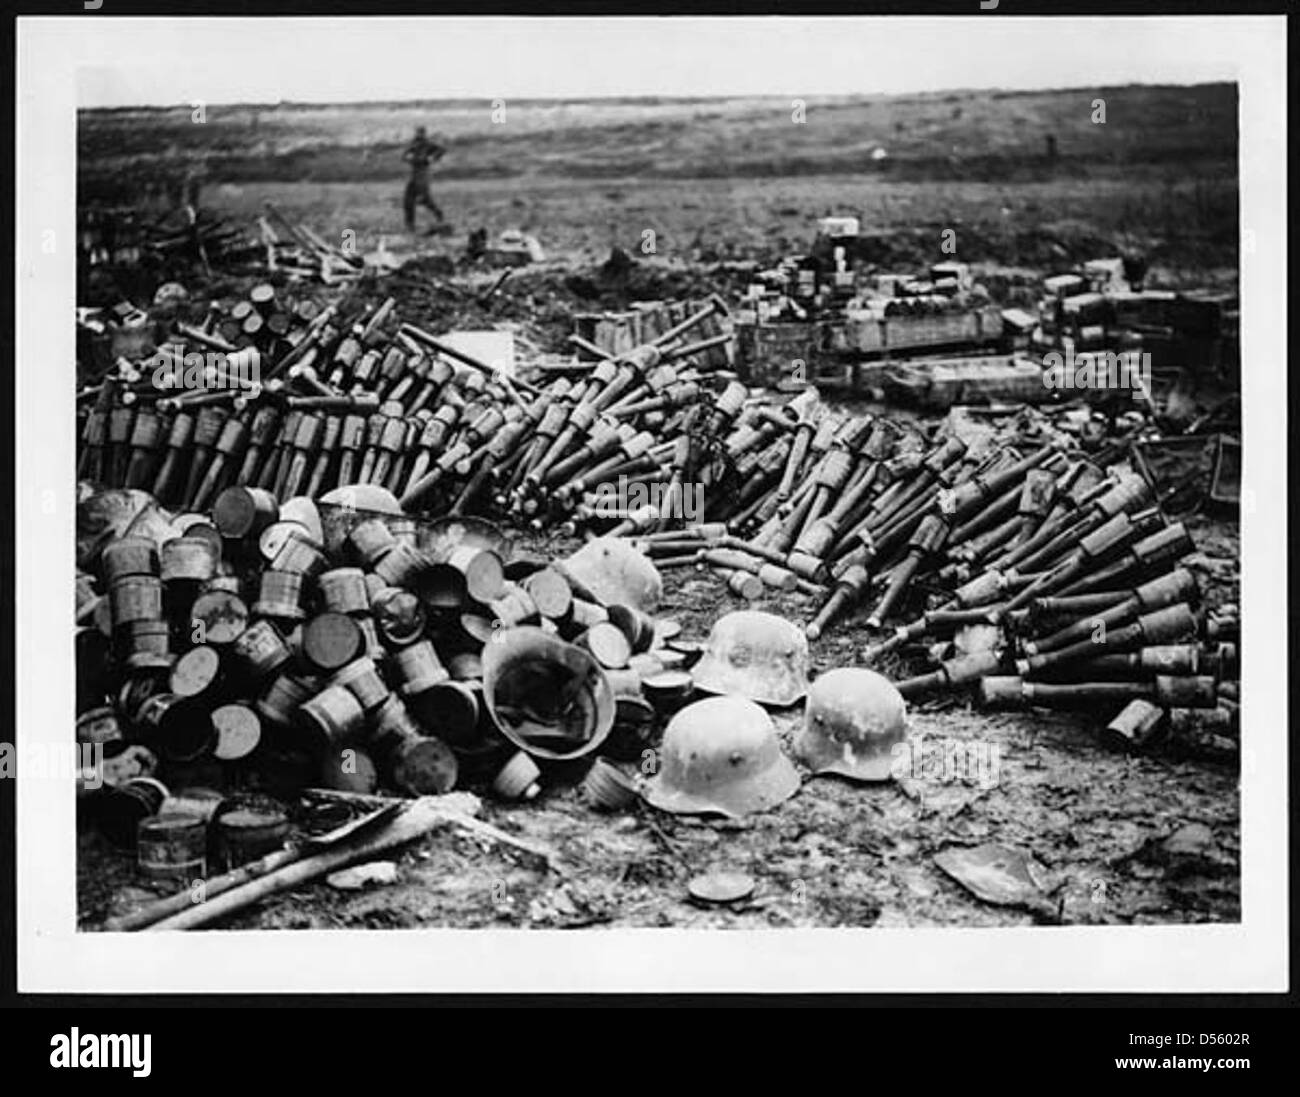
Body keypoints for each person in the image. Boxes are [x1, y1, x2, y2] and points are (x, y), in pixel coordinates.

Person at [402, 126, 446, 232]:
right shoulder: (413, 143)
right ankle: (410, 224)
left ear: (424, 134)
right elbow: (404, 155)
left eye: (420, 133)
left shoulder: (428, 144)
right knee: (408, 201)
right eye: (417, 133)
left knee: (425, 199)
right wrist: (408, 158)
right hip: (414, 176)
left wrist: (431, 158)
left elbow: (441, 150)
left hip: (423, 176)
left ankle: (438, 213)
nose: (418, 135)